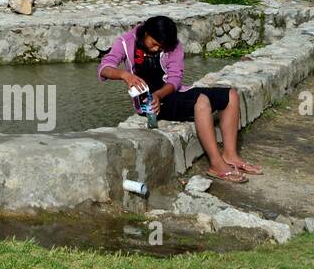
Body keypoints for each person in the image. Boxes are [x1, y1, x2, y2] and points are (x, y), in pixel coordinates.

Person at [99, 15, 262, 183]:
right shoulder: (126, 42)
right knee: (202, 101)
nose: (156, 49)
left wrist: (159, 94)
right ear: (146, 33)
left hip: (168, 93)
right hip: (150, 104)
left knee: (230, 95)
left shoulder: (173, 44)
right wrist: (124, 75)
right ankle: (216, 164)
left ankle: (231, 155)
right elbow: (104, 68)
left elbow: (175, 80)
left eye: (160, 47)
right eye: (154, 44)